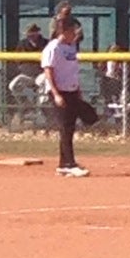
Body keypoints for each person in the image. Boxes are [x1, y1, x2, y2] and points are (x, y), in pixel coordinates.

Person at [41, 15, 98, 177]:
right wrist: (56, 94)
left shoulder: (71, 46)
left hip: (72, 91)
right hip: (60, 92)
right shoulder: (53, 48)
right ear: (64, 31)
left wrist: (78, 89)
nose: (76, 34)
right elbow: (48, 71)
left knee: (87, 118)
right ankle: (69, 164)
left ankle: (63, 163)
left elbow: (72, 71)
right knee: (66, 128)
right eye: (73, 30)